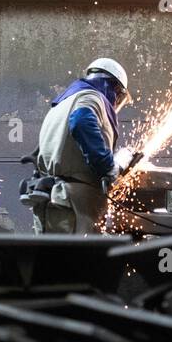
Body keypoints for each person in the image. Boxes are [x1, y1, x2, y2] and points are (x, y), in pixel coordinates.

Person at [31, 57, 138, 234]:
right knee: (77, 260)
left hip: (54, 199)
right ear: (115, 88)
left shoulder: (62, 104)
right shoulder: (91, 97)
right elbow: (81, 121)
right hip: (74, 203)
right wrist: (108, 166)